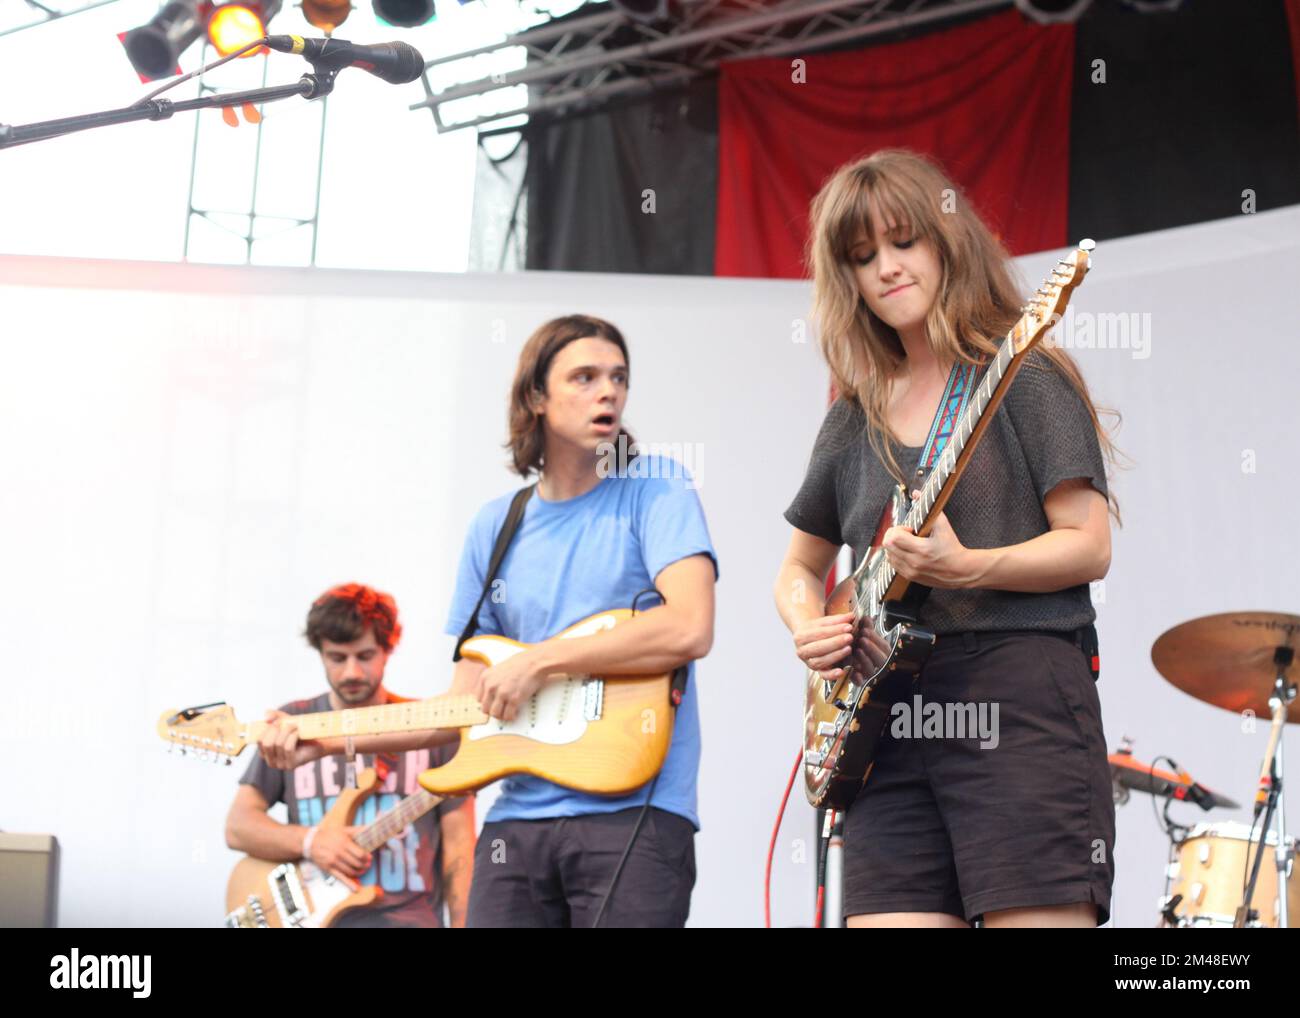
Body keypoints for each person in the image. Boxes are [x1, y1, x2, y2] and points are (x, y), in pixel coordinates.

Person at [256, 315, 718, 928]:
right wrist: (311, 738)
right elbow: (457, 709)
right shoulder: (495, 527)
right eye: (583, 377)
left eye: (618, 377)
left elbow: (690, 627)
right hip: (516, 823)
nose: (607, 392)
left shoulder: (658, 489)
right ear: (536, 396)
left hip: (634, 814)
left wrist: (539, 659)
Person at [773, 149, 1121, 929]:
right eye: (863, 258)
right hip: (885, 720)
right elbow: (798, 567)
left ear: (947, 241)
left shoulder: (1028, 375)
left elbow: (1088, 545)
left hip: (1018, 693)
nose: (887, 269)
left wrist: (969, 566)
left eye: (904, 242)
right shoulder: (850, 418)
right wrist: (810, 625)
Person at [225, 583, 476, 927]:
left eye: (365, 656)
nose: (352, 673)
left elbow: (459, 849)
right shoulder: (294, 725)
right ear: (320, 653)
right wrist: (313, 842)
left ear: (388, 649)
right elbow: (238, 827)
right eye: (337, 658)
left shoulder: (436, 726)